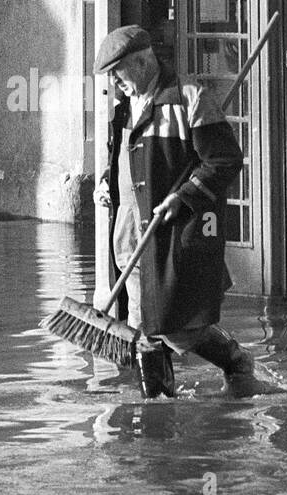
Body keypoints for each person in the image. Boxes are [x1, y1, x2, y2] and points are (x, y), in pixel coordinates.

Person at [93, 24, 267, 398]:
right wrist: (107, 182)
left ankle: (235, 360)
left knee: (175, 328)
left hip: (170, 234)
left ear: (142, 61)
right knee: (142, 327)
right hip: (129, 234)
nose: (113, 81)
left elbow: (224, 159)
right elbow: (127, 160)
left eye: (117, 71)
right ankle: (157, 410)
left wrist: (184, 195)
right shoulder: (122, 110)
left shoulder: (189, 98)